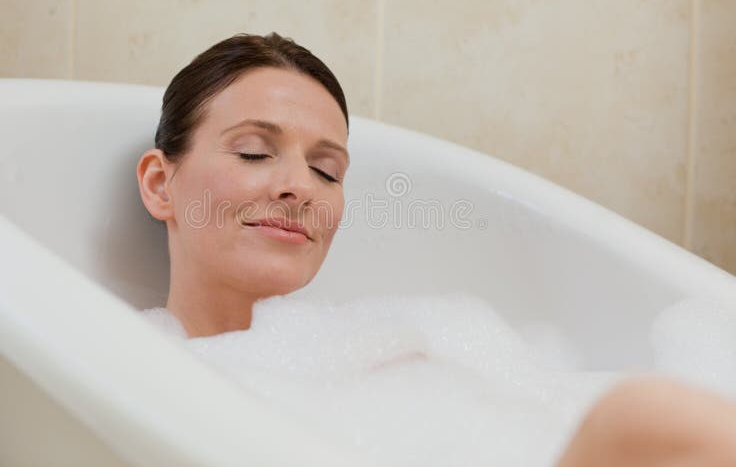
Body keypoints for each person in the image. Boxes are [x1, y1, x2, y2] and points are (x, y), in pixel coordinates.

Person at [136, 32, 736, 466]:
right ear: (161, 184)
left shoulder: (405, 363)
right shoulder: (130, 376)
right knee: (643, 421)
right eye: (254, 152)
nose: (299, 186)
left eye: (327, 170)